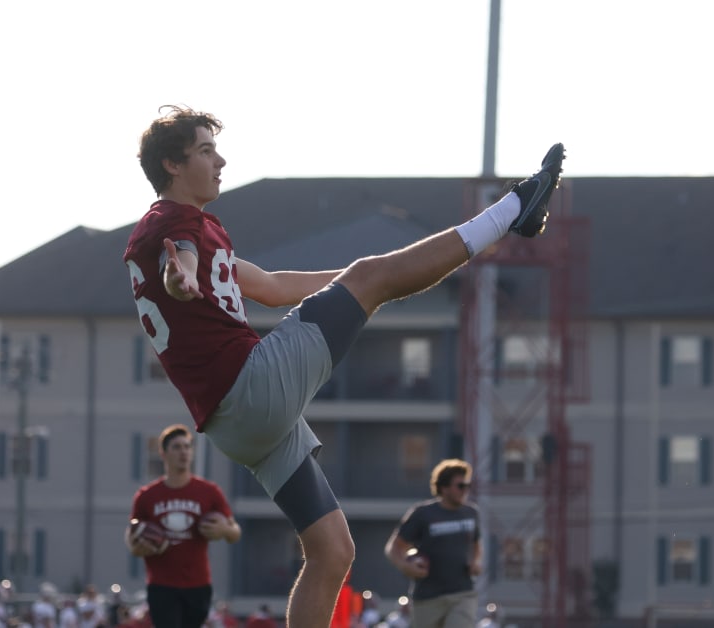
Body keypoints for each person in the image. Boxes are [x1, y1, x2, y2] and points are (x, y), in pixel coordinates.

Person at [123, 105, 563, 628]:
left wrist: (371, 282)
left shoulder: (183, 229)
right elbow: (183, 269)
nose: (220, 160)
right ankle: (515, 209)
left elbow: (272, 286)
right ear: (173, 165)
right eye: (204, 151)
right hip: (249, 388)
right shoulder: (173, 225)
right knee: (371, 278)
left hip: (236, 424)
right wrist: (373, 282)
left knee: (332, 552)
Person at [125, 424, 241, 628]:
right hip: (162, 584)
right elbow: (132, 533)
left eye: (187, 447)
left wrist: (225, 530)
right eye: (177, 447)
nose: (184, 452)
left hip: (198, 583)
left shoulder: (209, 491)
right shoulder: (147, 496)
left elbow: (235, 532)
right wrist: (135, 546)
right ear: (163, 453)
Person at [384, 459, 483, 628]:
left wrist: (475, 562)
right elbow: (394, 548)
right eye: (460, 486)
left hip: (462, 594)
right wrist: (406, 567)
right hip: (428, 598)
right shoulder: (423, 514)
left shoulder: (471, 513)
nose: (465, 490)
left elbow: (476, 545)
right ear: (444, 488)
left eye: (467, 485)